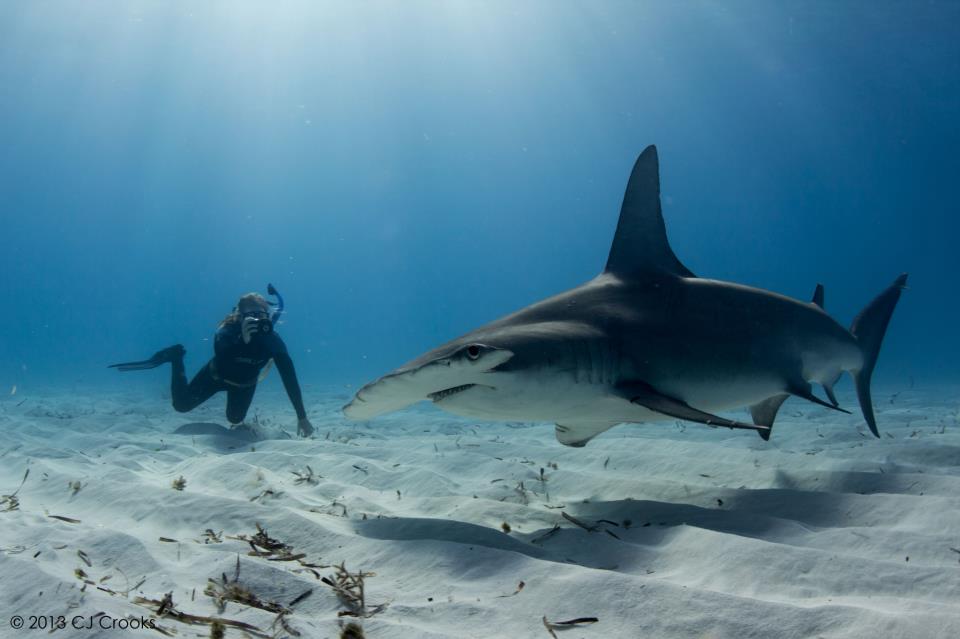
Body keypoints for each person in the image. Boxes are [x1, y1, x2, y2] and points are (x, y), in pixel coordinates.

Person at [110, 287, 314, 437]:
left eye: (262, 315)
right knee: (181, 405)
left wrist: (301, 416)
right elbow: (223, 354)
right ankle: (175, 357)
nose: (258, 320)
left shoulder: (273, 340)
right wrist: (242, 341)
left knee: (235, 419)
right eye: (251, 315)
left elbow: (289, 375)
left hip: (244, 384)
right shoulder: (227, 330)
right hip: (216, 375)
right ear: (239, 315)